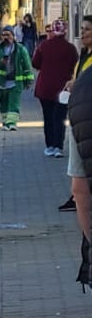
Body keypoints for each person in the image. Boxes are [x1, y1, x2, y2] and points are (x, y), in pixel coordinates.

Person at [59, 16, 92, 213]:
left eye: (87, 29)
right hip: (79, 117)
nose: (83, 33)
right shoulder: (84, 55)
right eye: (81, 28)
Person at [32, 20, 78, 156]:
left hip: (45, 88)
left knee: (48, 117)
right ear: (65, 31)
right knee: (60, 117)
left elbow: (35, 63)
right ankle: (58, 147)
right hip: (63, 89)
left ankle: (50, 146)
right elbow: (75, 66)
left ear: (52, 30)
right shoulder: (70, 48)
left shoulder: (43, 46)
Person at [0, 26, 33, 130]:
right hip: (1, 81)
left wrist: (28, 80)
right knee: (3, 103)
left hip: (16, 82)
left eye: (8, 34)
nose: (5, 37)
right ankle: (5, 123)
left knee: (14, 103)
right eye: (3, 35)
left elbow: (27, 65)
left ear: (13, 36)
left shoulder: (20, 49)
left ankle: (12, 123)